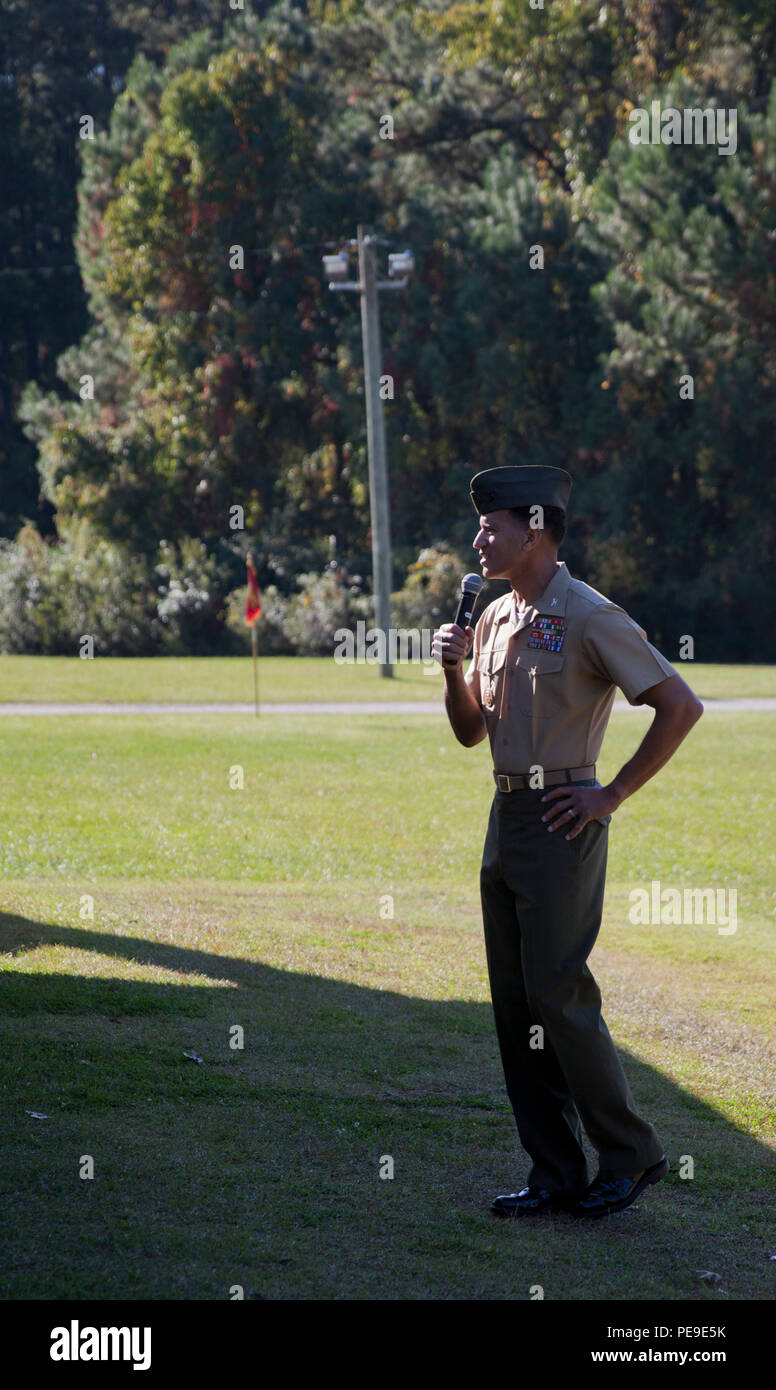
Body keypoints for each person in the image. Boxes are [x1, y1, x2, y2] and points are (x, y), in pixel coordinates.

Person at [432, 465, 703, 1219]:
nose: (480, 539)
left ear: (538, 528)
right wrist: (451, 671)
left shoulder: (590, 614)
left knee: (560, 993)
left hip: (563, 818)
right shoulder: (493, 617)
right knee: (518, 1001)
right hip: (506, 816)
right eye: (480, 527)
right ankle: (553, 1169)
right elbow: (467, 732)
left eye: (493, 526)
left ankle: (632, 1153)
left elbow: (680, 705)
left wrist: (609, 794)